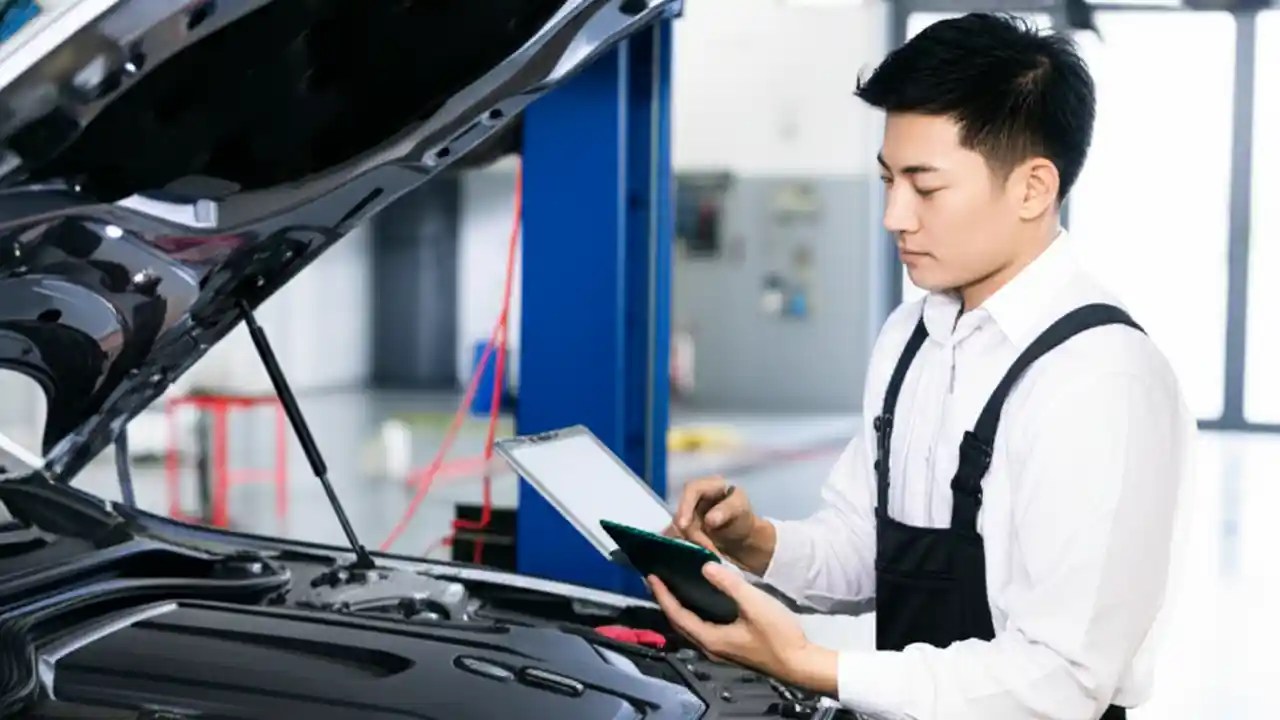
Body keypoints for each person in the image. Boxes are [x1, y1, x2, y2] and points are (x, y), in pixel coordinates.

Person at [651, 12, 1193, 720]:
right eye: (886, 181)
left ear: (1033, 188)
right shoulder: (912, 335)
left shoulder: (1101, 381)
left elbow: (1062, 682)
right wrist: (756, 543)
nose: (893, 217)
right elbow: (865, 547)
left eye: (925, 187)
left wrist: (813, 666)